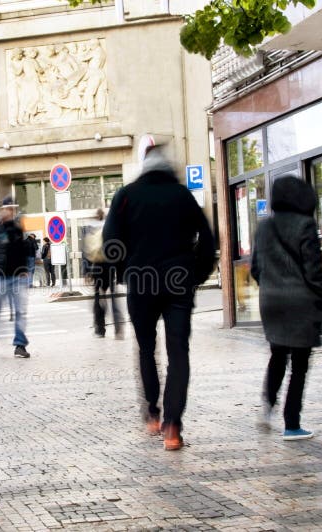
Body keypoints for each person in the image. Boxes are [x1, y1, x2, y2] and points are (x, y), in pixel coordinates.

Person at [103, 145, 215, 451]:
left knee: (146, 350)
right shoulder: (182, 195)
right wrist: (197, 274)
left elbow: (110, 242)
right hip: (178, 283)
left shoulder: (125, 196)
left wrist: (125, 270)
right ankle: (173, 427)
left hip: (140, 283)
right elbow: (208, 239)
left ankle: (152, 412)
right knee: (179, 353)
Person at [251, 175, 322, 441]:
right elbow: (313, 270)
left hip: (270, 302)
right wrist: (321, 298)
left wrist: (272, 286)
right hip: (301, 302)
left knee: (277, 356)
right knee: (300, 364)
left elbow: (255, 269)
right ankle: (292, 424)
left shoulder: (264, 228)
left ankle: (267, 406)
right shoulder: (305, 225)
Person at [0, 195, 33, 358]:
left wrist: (25, 268)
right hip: (1, 276)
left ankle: (20, 345)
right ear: (1, 209)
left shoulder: (16, 226)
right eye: (7, 208)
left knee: (20, 311)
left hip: (18, 276)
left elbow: (22, 248)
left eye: (12, 209)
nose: (10, 211)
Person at [85, 208, 122, 339]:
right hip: (110, 267)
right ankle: (118, 328)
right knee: (113, 297)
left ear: (96, 216)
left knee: (98, 298)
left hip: (97, 267)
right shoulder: (109, 228)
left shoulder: (91, 229)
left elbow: (88, 253)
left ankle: (100, 329)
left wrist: (87, 271)